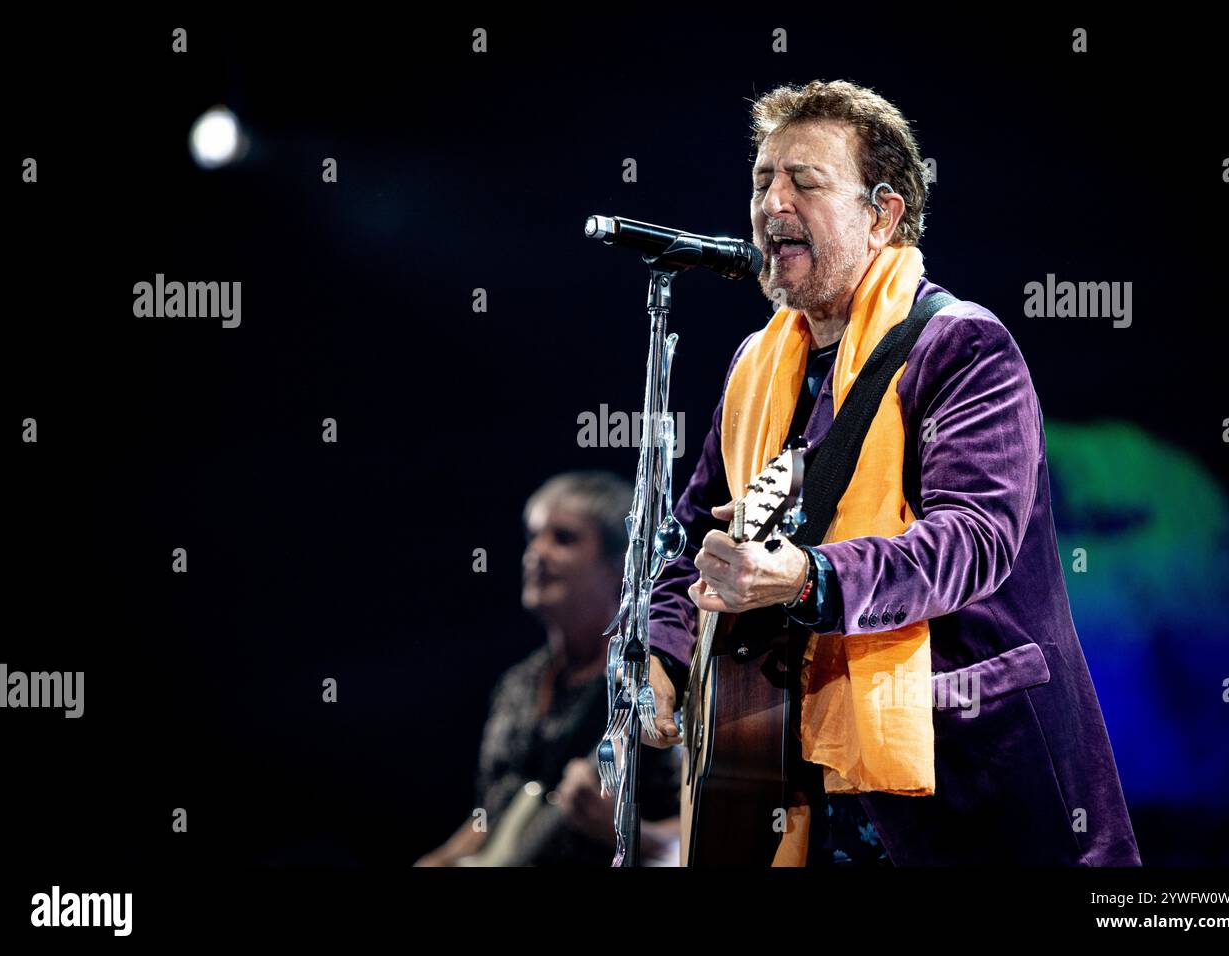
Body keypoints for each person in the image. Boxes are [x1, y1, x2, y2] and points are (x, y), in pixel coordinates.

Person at [642, 79, 1141, 866]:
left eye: (804, 181)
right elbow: (692, 532)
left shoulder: (961, 347)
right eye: (762, 179)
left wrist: (811, 578)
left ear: (883, 214)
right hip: (794, 773)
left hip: (960, 776)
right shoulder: (756, 365)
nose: (772, 203)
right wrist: (664, 653)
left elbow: (972, 541)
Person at [416, 471, 679, 866]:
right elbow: (491, 813)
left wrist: (633, 834)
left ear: (617, 566)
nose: (536, 552)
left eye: (564, 538)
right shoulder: (518, 685)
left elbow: (708, 816)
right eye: (533, 536)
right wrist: (439, 860)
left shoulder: (651, 682)